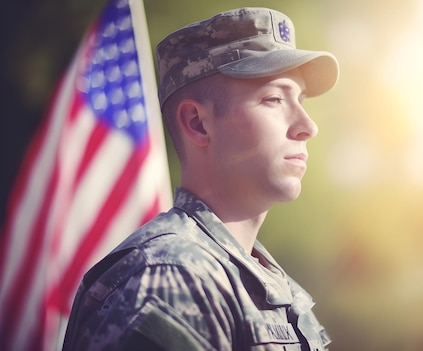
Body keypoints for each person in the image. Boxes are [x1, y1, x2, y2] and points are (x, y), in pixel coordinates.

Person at [62, 7, 339, 351]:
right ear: (197, 122)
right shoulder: (169, 279)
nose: (307, 126)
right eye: (274, 99)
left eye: (300, 100)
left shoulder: (268, 285)